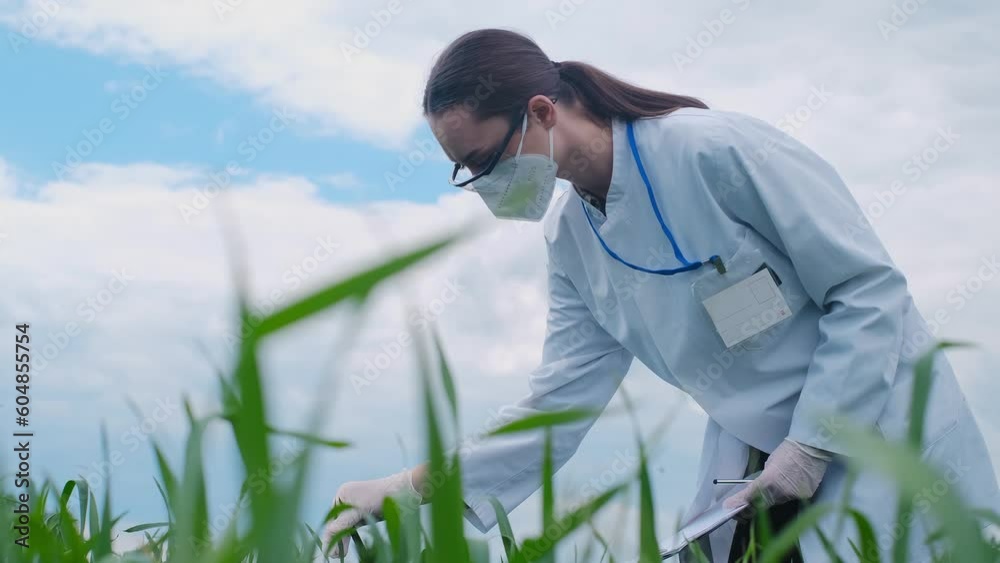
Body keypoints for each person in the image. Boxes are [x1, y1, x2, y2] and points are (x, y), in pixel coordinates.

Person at [322, 28, 999, 562]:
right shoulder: (571, 241)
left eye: (483, 162)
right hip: (757, 465)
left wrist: (814, 444)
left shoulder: (712, 151)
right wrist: (410, 488)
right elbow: (554, 409)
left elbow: (867, 288)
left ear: (539, 111)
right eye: (464, 171)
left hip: (879, 426)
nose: (483, 183)